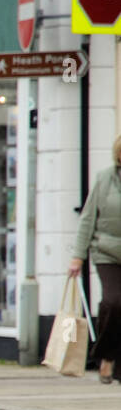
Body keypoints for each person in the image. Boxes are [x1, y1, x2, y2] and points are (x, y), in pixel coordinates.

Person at [69, 135, 121, 384]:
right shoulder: (104, 179)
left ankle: (116, 364)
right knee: (113, 302)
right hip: (107, 251)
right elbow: (88, 218)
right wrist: (78, 256)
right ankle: (106, 356)